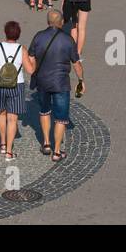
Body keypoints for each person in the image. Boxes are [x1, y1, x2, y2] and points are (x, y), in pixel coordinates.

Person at [24, 10, 82, 163]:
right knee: (61, 118)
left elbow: (30, 57)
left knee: (44, 111)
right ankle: (57, 152)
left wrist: (35, 70)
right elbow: (76, 63)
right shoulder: (68, 40)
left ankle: (46, 143)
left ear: (48, 21)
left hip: (42, 81)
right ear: (61, 22)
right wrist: (81, 80)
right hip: (61, 83)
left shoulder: (38, 37)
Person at [0, 20, 27, 161]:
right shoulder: (21, 49)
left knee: (1, 114)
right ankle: (9, 152)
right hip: (17, 85)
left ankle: (2, 143)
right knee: (12, 118)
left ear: (5, 33)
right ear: (18, 34)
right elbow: (31, 70)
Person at [61, 0, 93, 94]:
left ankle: (73, 49)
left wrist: (63, 2)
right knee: (82, 27)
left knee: (73, 25)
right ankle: (78, 53)